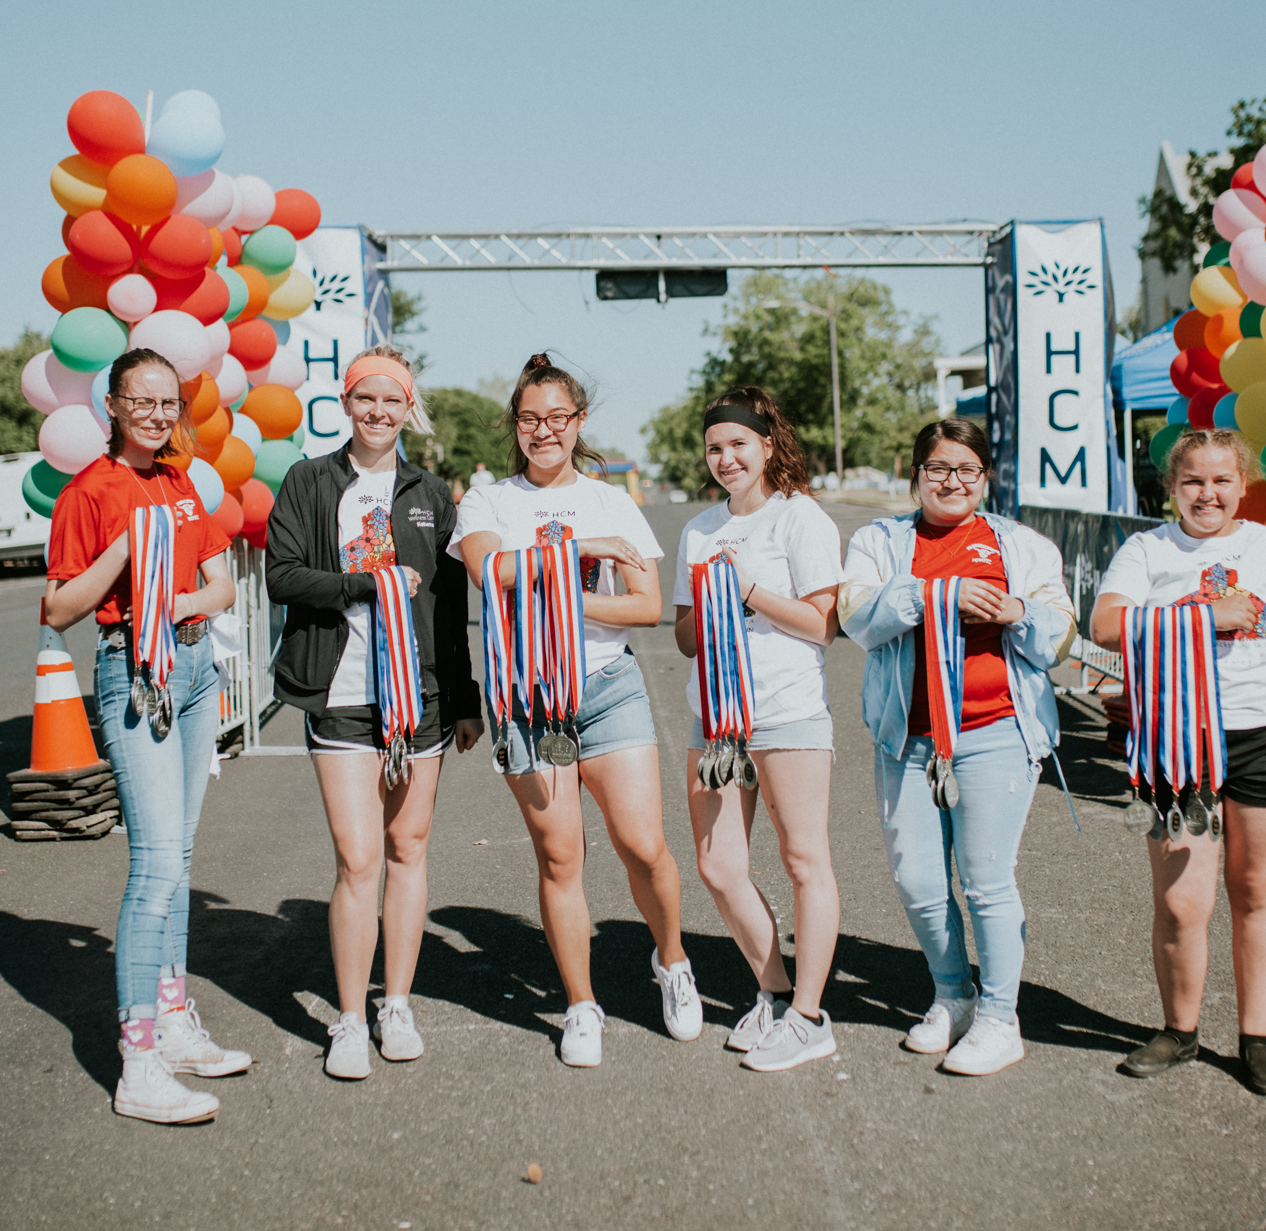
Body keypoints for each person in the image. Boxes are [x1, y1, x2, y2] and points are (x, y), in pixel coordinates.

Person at [450, 352, 698, 1067]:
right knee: (561, 856)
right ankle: (581, 1004)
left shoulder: (611, 500)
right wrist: (575, 552)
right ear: (516, 425)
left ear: (578, 422)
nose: (543, 430)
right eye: (529, 419)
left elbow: (646, 606)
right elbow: (491, 570)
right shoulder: (489, 501)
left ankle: (673, 960)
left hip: (606, 686)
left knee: (643, 845)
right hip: (527, 700)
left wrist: (559, 589)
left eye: (557, 417)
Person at [1089, 426, 1266, 1096]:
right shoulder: (1148, 548)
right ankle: (1179, 1030)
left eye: (1222, 480)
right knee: (1180, 900)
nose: (1208, 493)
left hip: (1265, 733)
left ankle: (1256, 1039)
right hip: (1178, 739)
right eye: (1193, 480)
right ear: (1172, 487)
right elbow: (1106, 623)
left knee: (1258, 890)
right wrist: (1205, 612)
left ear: (1242, 485)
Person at [265, 346, 484, 1080]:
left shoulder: (430, 492)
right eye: (367, 399)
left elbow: (451, 605)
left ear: (408, 408)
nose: (379, 413)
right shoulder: (309, 479)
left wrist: (464, 696)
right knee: (359, 858)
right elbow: (283, 575)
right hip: (341, 692)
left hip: (419, 697)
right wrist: (366, 584)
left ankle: (398, 1003)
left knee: (408, 849)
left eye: (393, 402)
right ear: (347, 403)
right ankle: (351, 1017)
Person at [45, 348, 248, 1125]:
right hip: (135, 669)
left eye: (171, 404)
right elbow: (61, 607)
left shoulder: (181, 482)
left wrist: (187, 596)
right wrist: (128, 555)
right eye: (145, 402)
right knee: (156, 863)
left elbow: (224, 580)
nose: (160, 415)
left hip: (196, 669)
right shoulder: (89, 492)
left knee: (184, 856)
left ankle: (172, 1018)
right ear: (114, 404)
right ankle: (138, 1061)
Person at [839, 418, 1075, 1076]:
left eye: (967, 469)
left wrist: (1018, 613)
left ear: (986, 478)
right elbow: (857, 616)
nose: (952, 481)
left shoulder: (1018, 544)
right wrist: (929, 594)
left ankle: (1002, 1017)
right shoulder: (880, 540)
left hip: (997, 730)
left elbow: (1059, 634)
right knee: (917, 877)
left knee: (985, 878)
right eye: (938, 468)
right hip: (907, 737)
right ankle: (954, 995)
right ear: (913, 474)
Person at [671, 386, 843, 1072]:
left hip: (786, 709)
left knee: (805, 860)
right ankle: (773, 994)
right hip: (714, 715)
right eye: (715, 447)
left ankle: (809, 1015)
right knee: (718, 865)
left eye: (739, 443)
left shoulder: (800, 518)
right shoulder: (699, 529)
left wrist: (746, 592)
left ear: (768, 444)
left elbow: (822, 624)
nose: (726, 457)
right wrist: (706, 601)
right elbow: (684, 637)